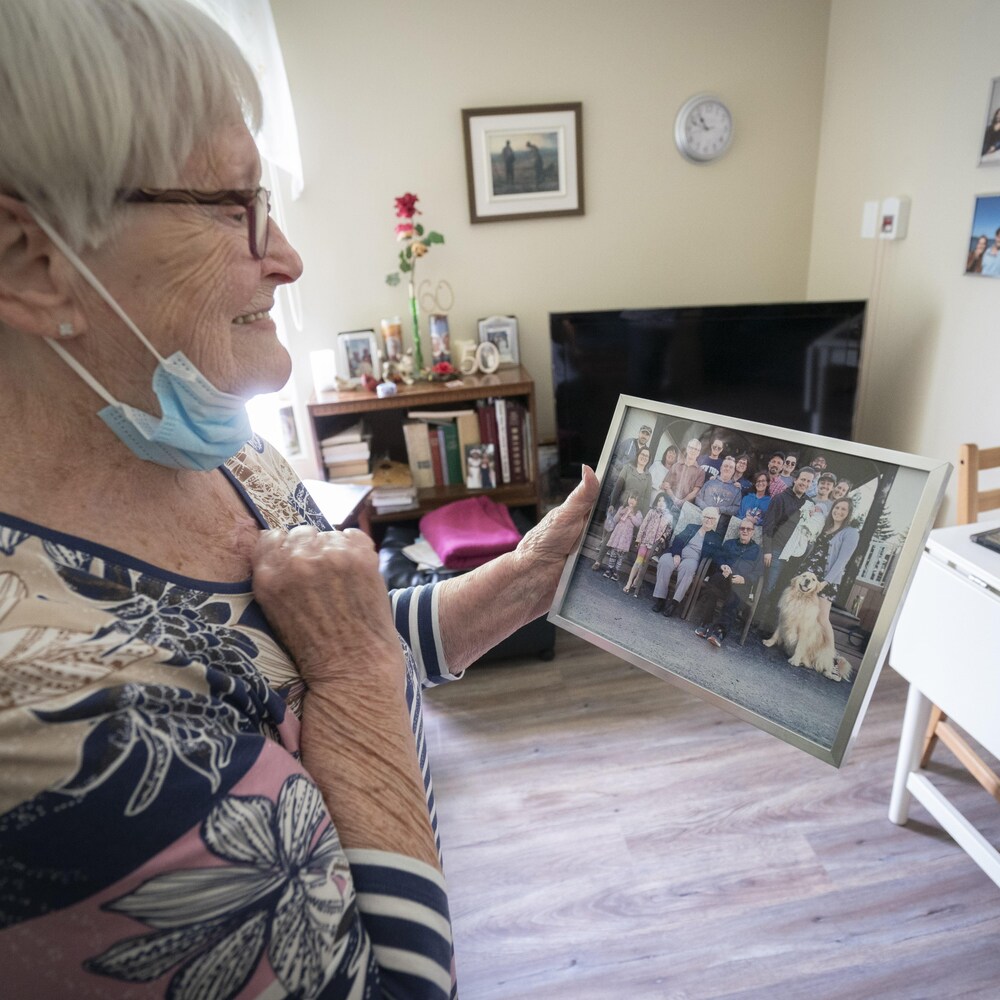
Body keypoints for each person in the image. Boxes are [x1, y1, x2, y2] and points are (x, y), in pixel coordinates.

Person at [0, 3, 600, 997]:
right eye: (229, 205)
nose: (285, 255)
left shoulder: (224, 447)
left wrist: (525, 580)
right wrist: (360, 666)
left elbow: (311, 644)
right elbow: (343, 659)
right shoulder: (42, 712)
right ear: (29, 259)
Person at [691, 517, 762, 648]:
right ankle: (706, 624)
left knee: (734, 597)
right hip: (725, 578)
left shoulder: (757, 551)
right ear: (739, 530)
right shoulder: (729, 544)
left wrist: (745, 579)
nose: (745, 531)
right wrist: (722, 565)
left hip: (741, 583)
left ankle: (719, 632)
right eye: (742, 528)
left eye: (748, 529)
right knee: (713, 583)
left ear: (753, 532)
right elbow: (718, 557)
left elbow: (758, 572)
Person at [758, 466, 817, 617]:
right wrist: (768, 551)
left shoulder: (809, 504)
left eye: (808, 481)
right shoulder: (780, 499)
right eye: (803, 479)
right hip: (777, 550)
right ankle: (752, 619)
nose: (805, 483)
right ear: (795, 479)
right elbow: (768, 526)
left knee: (783, 590)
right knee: (768, 587)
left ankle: (766, 624)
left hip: (794, 556)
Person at [650, 506, 722, 617]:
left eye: (712, 518)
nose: (708, 520)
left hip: (694, 559)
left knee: (688, 569)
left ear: (715, 521)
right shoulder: (691, 528)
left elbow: (714, 556)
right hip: (678, 553)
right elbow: (678, 539)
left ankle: (674, 603)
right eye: (706, 517)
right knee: (664, 561)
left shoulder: (715, 538)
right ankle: (661, 599)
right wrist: (677, 554)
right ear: (702, 518)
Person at [801, 497, 861, 627]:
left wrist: (825, 582)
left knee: (822, 618)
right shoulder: (825, 527)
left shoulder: (851, 533)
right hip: (808, 574)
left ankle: (829, 647)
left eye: (843, 509)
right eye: (837, 507)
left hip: (825, 580)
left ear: (849, 513)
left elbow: (842, 561)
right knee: (802, 612)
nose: (839, 511)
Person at [592, 445, 653, 569]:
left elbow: (646, 498)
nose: (644, 457)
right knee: (610, 533)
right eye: (642, 455)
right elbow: (618, 487)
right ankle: (598, 561)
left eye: (646, 456)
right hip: (622, 505)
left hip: (635, 512)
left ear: (649, 459)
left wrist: (644, 516)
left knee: (626, 536)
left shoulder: (648, 476)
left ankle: (615, 568)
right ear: (637, 456)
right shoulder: (627, 468)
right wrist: (612, 505)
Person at [623, 492, 673, 597]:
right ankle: (629, 582)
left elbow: (668, 530)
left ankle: (636, 580)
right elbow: (643, 526)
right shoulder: (651, 512)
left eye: (663, 501)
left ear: (667, 503)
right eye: (659, 500)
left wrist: (663, 539)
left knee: (644, 563)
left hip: (655, 545)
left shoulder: (669, 517)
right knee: (638, 561)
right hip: (645, 541)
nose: (661, 503)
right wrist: (639, 539)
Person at [600, 494, 643, 582]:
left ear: (638, 502)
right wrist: (620, 513)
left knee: (621, 555)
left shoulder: (638, 513)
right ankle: (609, 569)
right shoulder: (622, 508)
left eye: (634, 499)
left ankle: (616, 571)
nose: (632, 500)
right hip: (618, 534)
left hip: (626, 536)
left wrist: (631, 516)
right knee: (613, 552)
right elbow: (615, 520)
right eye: (631, 497)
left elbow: (638, 524)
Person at [661, 438, 707, 514]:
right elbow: (666, 484)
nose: (693, 451)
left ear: (698, 453)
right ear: (687, 448)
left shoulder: (700, 471)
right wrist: (674, 499)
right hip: (668, 503)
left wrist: (682, 502)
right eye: (691, 448)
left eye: (696, 449)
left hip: (684, 509)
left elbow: (695, 492)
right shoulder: (676, 465)